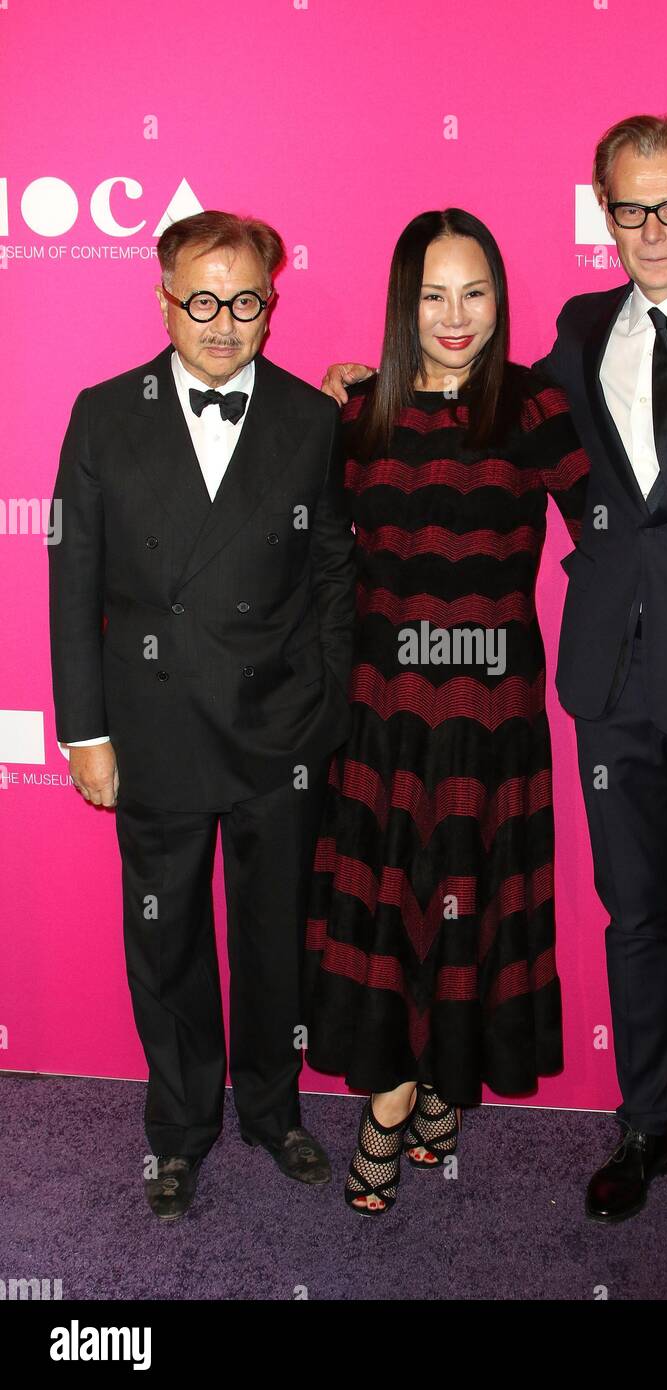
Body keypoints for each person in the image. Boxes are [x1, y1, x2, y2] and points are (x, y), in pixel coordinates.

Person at [323, 115, 667, 1239]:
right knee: (634, 917)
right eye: (627, 208)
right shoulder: (574, 332)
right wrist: (362, 385)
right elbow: (472, 413)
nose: (650, 229)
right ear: (602, 211)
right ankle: (644, 1124)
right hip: (608, 683)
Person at [49, 210, 356, 1221]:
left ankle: (273, 1111)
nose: (225, 323)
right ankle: (179, 1129)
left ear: (272, 304)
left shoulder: (310, 421)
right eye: (203, 300)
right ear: (164, 298)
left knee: (273, 936)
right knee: (167, 934)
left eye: (247, 302)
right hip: (154, 723)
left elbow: (331, 579)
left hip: (278, 731)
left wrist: (322, 712)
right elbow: (74, 581)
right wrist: (85, 732)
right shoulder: (102, 413)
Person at [303, 208, 589, 1214]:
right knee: (386, 904)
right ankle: (389, 1093)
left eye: (474, 292)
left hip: (490, 708)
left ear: (499, 300)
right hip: (380, 709)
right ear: (402, 303)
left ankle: (443, 1083)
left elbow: (613, 530)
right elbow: (306, 557)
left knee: (469, 898)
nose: (455, 315)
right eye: (432, 294)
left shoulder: (533, 404)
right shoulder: (355, 415)